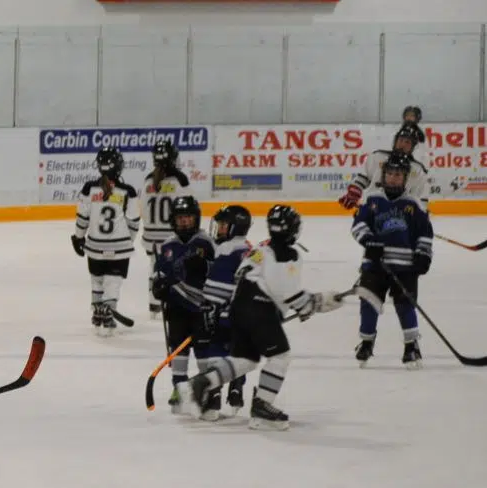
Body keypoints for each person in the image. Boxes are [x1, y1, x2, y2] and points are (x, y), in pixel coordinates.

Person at [176, 205, 346, 430]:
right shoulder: (287, 253)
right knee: (280, 356)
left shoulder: (259, 249)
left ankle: (199, 384)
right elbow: (287, 292)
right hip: (260, 309)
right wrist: (315, 302)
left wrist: (310, 303)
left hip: (239, 308)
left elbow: (247, 277)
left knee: (245, 360)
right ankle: (262, 408)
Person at [350, 153, 433, 369]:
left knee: (405, 305)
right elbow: (358, 225)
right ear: (383, 176)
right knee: (368, 302)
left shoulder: (413, 205)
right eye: (390, 174)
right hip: (374, 265)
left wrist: (423, 254)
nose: (394, 178)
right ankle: (366, 342)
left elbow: (425, 233)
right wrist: (369, 242)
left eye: (398, 174)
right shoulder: (373, 200)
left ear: (405, 178)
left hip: (405, 266)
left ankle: (411, 345)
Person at [150, 196, 215, 415]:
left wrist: (205, 265)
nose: (184, 222)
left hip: (201, 308)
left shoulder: (206, 243)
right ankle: (178, 387)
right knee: (179, 350)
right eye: (180, 219)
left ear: (196, 219)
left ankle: (207, 389)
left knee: (204, 351)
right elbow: (160, 273)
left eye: (188, 218)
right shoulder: (168, 244)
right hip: (176, 307)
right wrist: (158, 286)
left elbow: (217, 273)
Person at [70, 147, 140, 336]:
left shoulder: (89, 189)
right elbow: (133, 222)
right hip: (120, 247)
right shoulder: (128, 192)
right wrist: (128, 240)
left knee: (97, 281)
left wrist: (78, 236)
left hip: (95, 246)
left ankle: (97, 311)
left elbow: (82, 218)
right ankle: (108, 311)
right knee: (113, 283)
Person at [197, 205, 253, 419]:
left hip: (225, 315)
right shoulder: (249, 248)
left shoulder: (227, 249)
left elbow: (217, 286)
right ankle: (237, 388)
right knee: (237, 353)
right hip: (246, 317)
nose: (218, 230)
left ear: (234, 228)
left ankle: (213, 398)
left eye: (222, 226)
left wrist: (209, 306)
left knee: (215, 350)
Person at [141, 141, 192, 319]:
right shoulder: (180, 179)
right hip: (171, 234)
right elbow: (188, 208)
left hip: (150, 235)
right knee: (176, 268)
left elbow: (144, 209)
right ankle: (173, 303)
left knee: (154, 267)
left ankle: (154, 305)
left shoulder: (148, 180)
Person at [339, 123, 429, 210]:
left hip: (400, 215)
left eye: (407, 142)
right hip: (371, 209)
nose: (403, 144)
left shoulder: (418, 170)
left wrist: (421, 215)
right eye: (400, 140)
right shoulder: (377, 157)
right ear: (395, 141)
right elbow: (364, 177)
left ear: (413, 147)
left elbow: (421, 198)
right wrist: (354, 192)